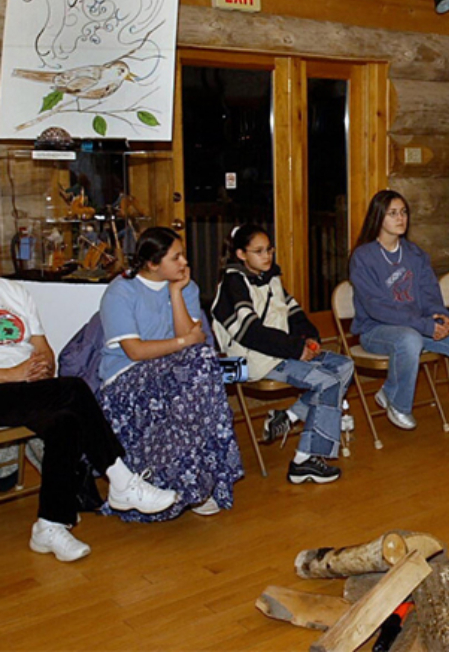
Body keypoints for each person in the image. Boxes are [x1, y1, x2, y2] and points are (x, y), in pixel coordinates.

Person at [0, 277, 177, 561]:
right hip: (5, 384)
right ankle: (120, 478)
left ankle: (50, 523)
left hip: (26, 387)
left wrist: (42, 367)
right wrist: (12, 374)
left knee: (66, 421)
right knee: (73, 389)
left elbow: (43, 349)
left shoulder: (15, 292)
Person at [98, 227, 243, 521]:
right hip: (126, 380)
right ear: (152, 263)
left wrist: (176, 292)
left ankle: (195, 483)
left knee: (199, 366)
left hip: (172, 372)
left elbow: (190, 337)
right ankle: (199, 482)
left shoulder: (185, 287)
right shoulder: (121, 291)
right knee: (199, 370)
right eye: (175, 258)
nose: (184, 263)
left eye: (183, 256)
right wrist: (183, 343)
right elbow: (136, 352)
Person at [349, 190, 449, 451]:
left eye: (404, 212)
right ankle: (398, 402)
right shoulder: (363, 257)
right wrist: (424, 326)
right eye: (393, 213)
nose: (401, 218)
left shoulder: (414, 254)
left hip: (421, 326)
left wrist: (443, 319)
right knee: (408, 339)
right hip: (377, 330)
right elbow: (377, 308)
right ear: (378, 217)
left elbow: (431, 294)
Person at [211, 224, 352, 484]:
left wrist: (309, 338)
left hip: (281, 354)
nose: (267, 256)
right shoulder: (233, 284)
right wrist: (296, 349)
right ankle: (305, 459)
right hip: (251, 361)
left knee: (343, 366)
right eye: (259, 251)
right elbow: (250, 332)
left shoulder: (271, 278)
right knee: (327, 382)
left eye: (269, 250)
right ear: (241, 255)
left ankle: (288, 417)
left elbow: (294, 313)